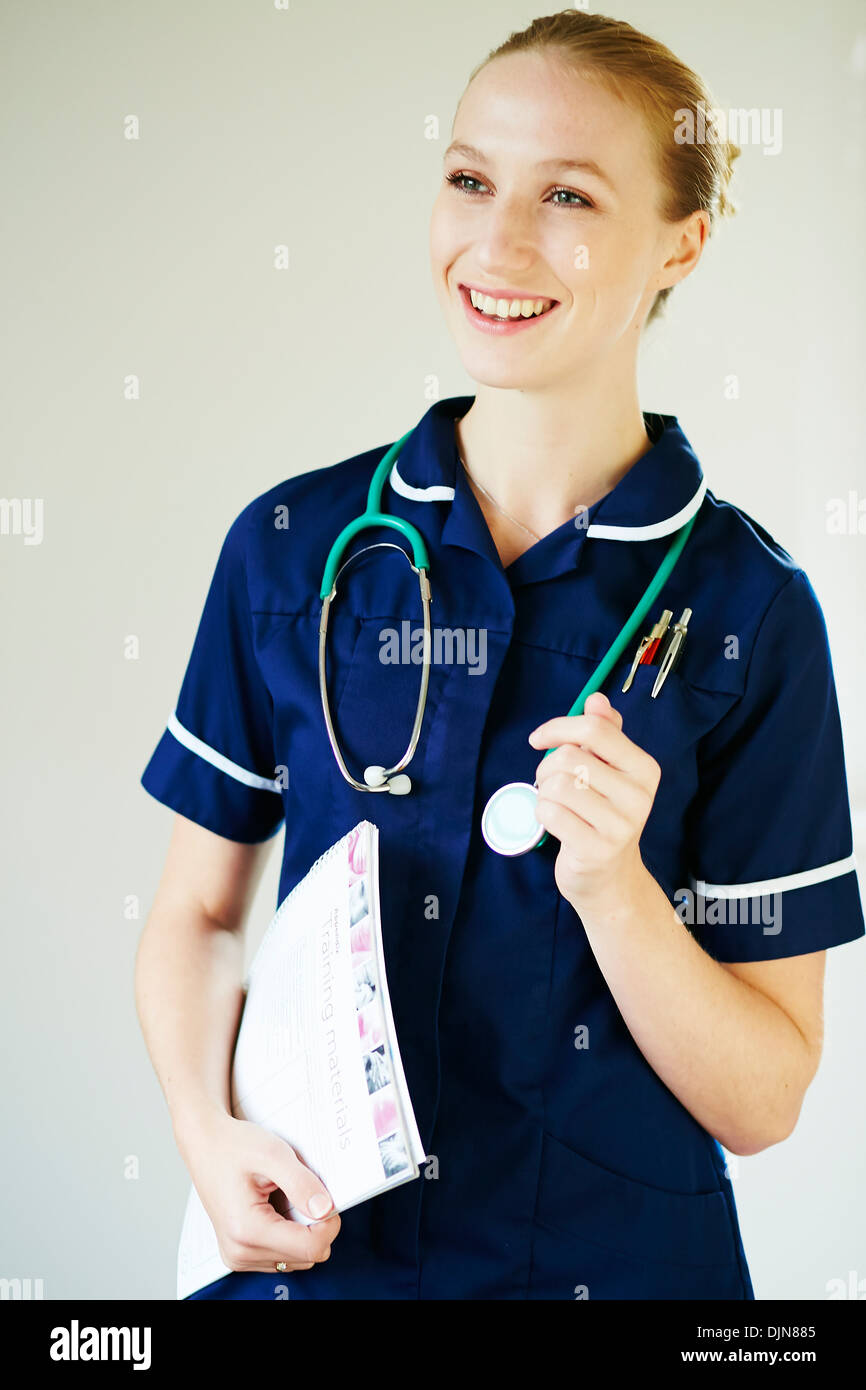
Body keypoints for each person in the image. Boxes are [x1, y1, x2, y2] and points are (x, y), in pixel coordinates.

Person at [135, 10, 864, 1300]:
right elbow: (196, 914)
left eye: (568, 195)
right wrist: (206, 1132)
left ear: (682, 242)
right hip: (313, 1270)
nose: (498, 242)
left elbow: (767, 1099)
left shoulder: (752, 610)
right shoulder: (294, 549)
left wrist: (618, 890)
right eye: (470, 178)